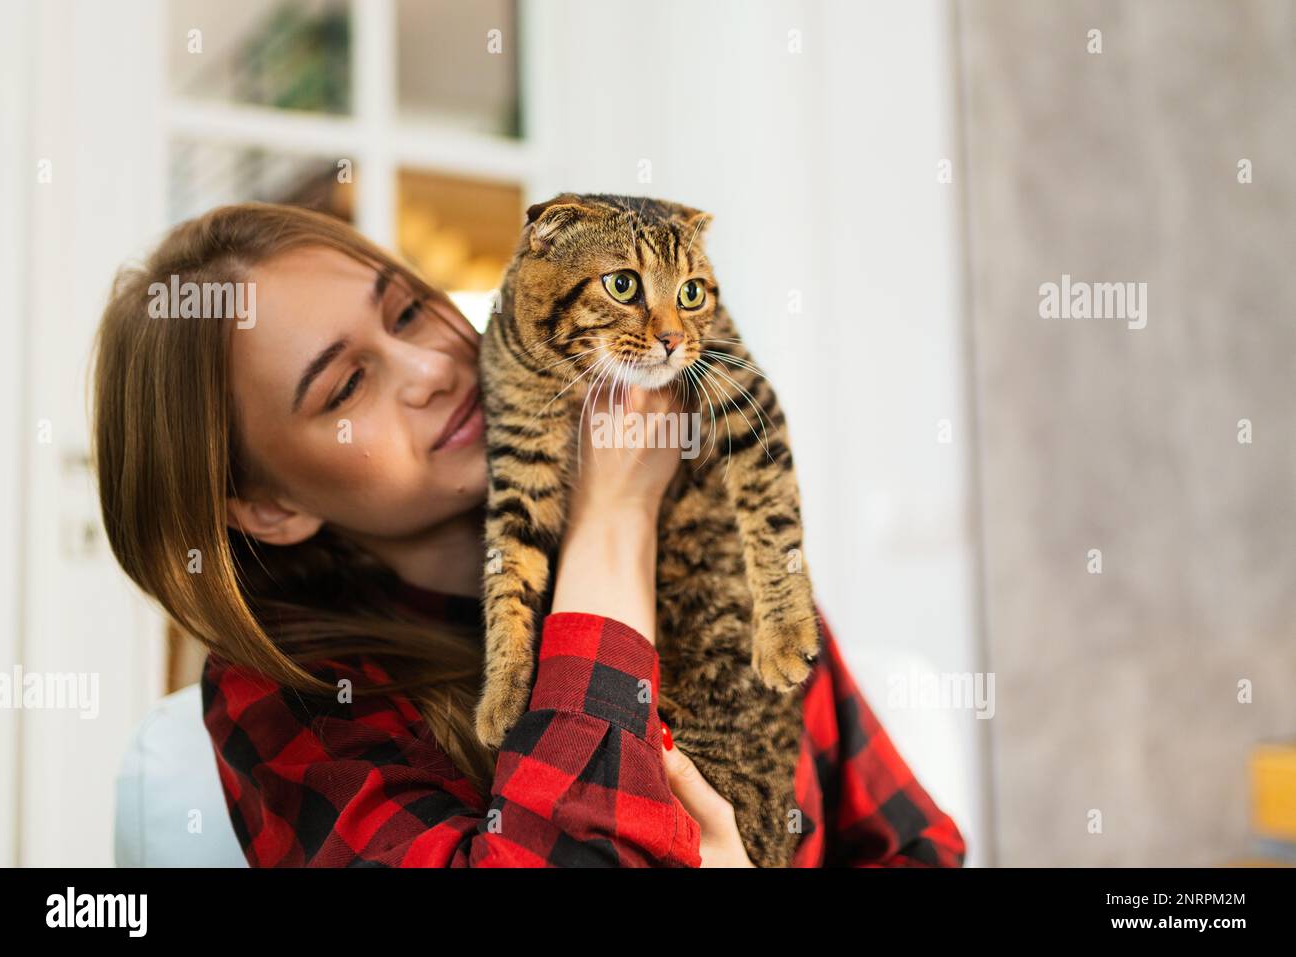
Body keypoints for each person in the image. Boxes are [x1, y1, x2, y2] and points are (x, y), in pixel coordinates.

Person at [91, 202, 967, 867]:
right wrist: (612, 524)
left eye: (407, 314)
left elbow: (912, 844)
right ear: (271, 506)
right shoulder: (294, 700)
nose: (434, 368)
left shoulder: (704, 525)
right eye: (346, 386)